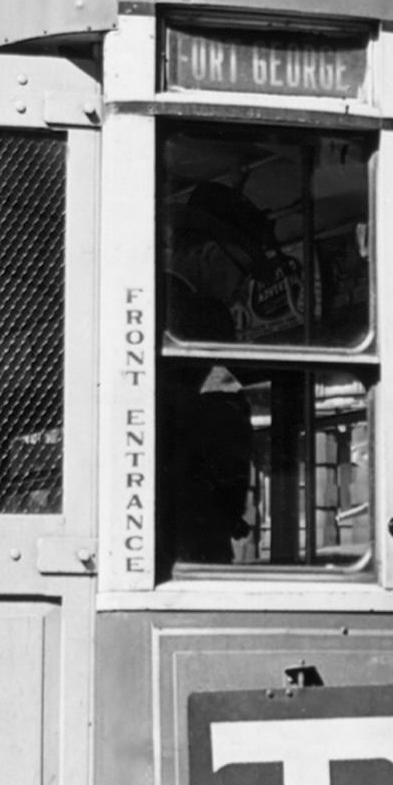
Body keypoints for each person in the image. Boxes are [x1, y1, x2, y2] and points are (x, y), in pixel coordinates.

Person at [162, 182, 274, 562]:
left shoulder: (148, 292)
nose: (241, 292)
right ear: (210, 254)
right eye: (241, 274)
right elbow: (255, 380)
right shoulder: (205, 314)